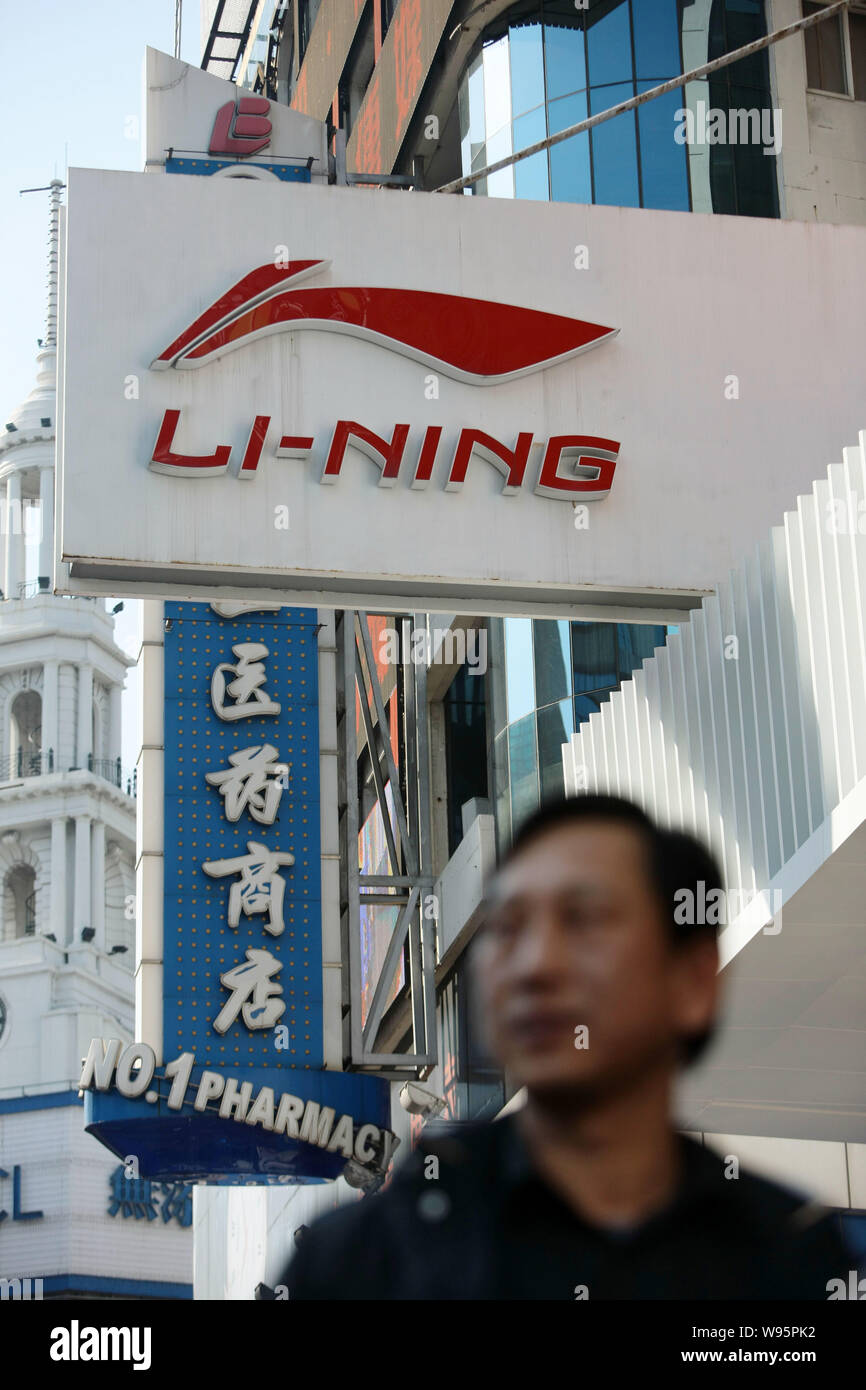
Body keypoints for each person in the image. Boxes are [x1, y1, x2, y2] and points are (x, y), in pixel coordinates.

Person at [280, 793, 856, 1299]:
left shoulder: (789, 1256)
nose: (535, 965)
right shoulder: (363, 1264)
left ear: (692, 981)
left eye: (584, 920)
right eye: (509, 927)